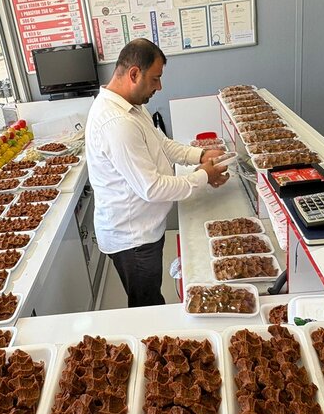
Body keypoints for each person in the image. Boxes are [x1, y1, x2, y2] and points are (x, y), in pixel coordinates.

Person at [86, 39, 229, 307]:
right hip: (133, 239)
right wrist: (202, 176)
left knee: (150, 295)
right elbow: (151, 188)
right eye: (155, 79)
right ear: (133, 74)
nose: (159, 87)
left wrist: (200, 155)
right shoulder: (117, 123)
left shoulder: (131, 107)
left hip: (144, 227)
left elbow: (161, 143)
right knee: (147, 305)